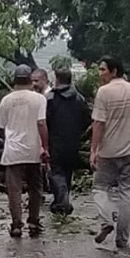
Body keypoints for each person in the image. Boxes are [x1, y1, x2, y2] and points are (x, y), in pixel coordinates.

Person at [90, 56, 130, 249]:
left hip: (108, 152)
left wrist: (93, 150)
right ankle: (122, 239)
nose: (100, 74)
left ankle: (106, 220)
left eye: (102, 69)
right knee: (128, 193)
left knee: (100, 188)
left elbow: (99, 123)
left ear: (114, 71)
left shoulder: (104, 92)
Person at [0, 64, 50, 238]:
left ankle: (16, 225)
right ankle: (33, 221)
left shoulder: (6, 100)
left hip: (13, 151)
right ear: (30, 79)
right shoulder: (39, 99)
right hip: (33, 149)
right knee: (35, 188)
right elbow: (41, 124)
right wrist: (45, 147)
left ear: (14, 80)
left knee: (14, 190)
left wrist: (9, 139)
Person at [45, 67, 90, 215]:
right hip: (73, 142)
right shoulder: (79, 99)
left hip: (55, 141)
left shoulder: (50, 98)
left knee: (56, 171)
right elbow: (87, 120)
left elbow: (44, 120)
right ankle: (61, 202)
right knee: (67, 172)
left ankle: (62, 200)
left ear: (56, 78)